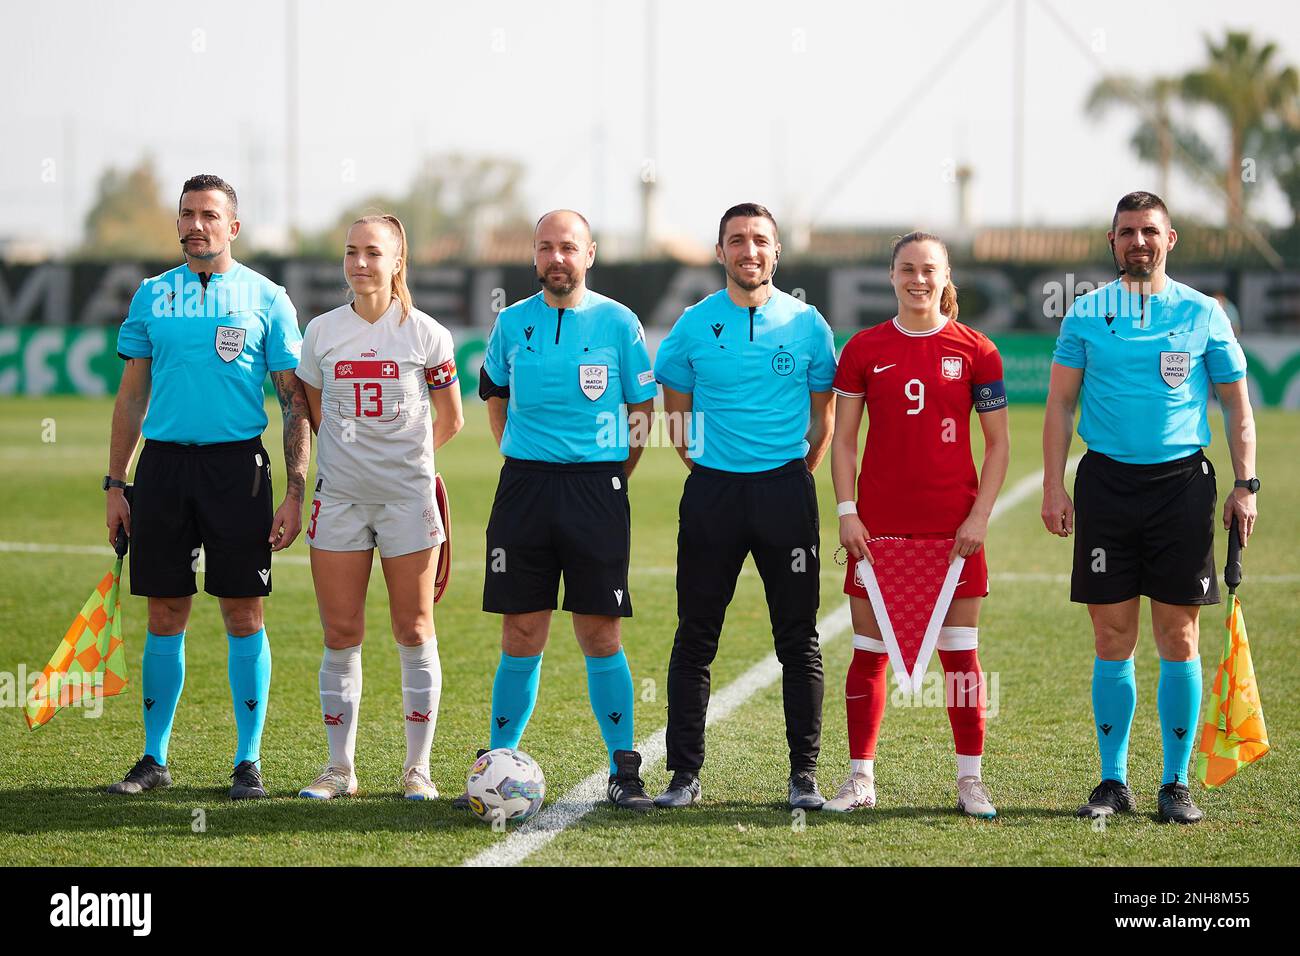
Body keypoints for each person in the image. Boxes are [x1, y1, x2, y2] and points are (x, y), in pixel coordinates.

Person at [1042, 191, 1257, 825]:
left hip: (1181, 490)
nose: (1139, 241)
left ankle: (1175, 783)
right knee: (1112, 637)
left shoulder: (1205, 314)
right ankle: (1112, 782)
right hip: (1106, 487)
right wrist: (1054, 486)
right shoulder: (1084, 314)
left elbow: (1238, 407)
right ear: (1112, 242)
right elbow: (1058, 405)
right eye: (1127, 231)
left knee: (1179, 635)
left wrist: (1247, 484)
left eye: (1150, 231)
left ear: (1171, 239)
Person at [105, 174, 309, 799]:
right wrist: (117, 483)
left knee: (242, 613)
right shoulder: (150, 296)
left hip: (236, 472)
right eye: (188, 214)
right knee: (164, 611)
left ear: (233, 226)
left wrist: (297, 488)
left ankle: (248, 761)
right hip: (162, 470)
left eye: (210, 215)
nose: (197, 225)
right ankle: (153, 758)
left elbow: (294, 403)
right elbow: (132, 395)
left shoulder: (268, 299)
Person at [463, 209, 657, 811]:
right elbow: (493, 394)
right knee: (521, 630)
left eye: (568, 247)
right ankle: (496, 761)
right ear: (536, 256)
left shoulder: (619, 323)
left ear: (589, 254)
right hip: (524, 489)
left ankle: (624, 768)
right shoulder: (512, 322)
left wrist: (611, 475)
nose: (556, 258)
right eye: (546, 248)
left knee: (599, 630)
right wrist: (518, 456)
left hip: (597, 490)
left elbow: (641, 410)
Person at [652, 202, 837, 810]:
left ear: (776, 252)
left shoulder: (809, 325)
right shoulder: (692, 325)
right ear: (720, 251)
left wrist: (789, 474)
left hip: (785, 491)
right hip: (713, 495)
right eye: (737, 240)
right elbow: (676, 420)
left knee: (798, 639)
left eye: (760, 240)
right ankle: (684, 777)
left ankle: (803, 777)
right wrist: (713, 472)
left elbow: (823, 418)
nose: (749, 251)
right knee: (696, 637)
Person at [824, 231, 1009, 817]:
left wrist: (980, 516)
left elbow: (1000, 446)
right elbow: (845, 441)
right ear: (892, 275)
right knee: (869, 652)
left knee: (960, 656)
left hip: (955, 534)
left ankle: (970, 781)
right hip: (877, 533)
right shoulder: (862, 349)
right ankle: (859, 779)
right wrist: (847, 513)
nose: (918, 279)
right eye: (908, 268)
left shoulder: (978, 351)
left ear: (945, 275)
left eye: (929, 269)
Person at [293, 215, 463, 800]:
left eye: (372, 253)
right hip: (338, 501)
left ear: (397, 262)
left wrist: (408, 465)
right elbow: (315, 416)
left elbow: (452, 418)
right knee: (340, 632)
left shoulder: (426, 334)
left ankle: (418, 770)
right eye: (350, 252)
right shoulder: (320, 333)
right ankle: (339, 770)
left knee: (414, 629)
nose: (360, 263)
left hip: (406, 502)